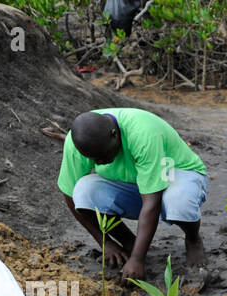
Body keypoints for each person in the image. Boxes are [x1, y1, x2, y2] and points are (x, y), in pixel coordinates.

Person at [57, 108, 209, 280]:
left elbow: (152, 202)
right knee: (84, 192)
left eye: (103, 155)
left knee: (178, 201)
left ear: (114, 135)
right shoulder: (77, 143)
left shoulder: (143, 133)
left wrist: (138, 260)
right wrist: (105, 243)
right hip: (136, 182)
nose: (99, 162)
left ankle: (193, 238)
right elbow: (69, 194)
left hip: (175, 174)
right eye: (94, 159)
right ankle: (129, 242)